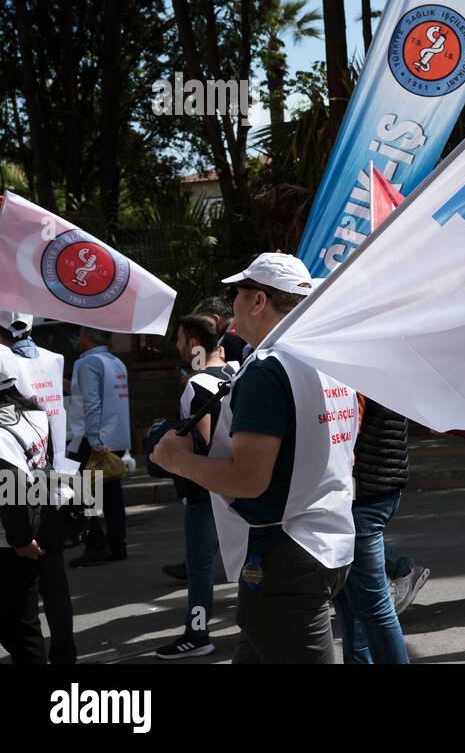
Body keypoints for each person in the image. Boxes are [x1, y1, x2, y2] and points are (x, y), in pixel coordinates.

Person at [151, 253, 358, 664]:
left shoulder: (268, 368)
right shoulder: (328, 358)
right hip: (322, 542)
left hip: (285, 551)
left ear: (260, 301)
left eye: (238, 293)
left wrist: (176, 459)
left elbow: (248, 479)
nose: (233, 304)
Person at [155, 314, 235, 660]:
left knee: (200, 564)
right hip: (240, 480)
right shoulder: (237, 370)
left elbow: (203, 442)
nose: (176, 347)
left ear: (193, 344)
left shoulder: (196, 384)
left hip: (205, 489)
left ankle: (197, 632)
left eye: (179, 340)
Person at [0, 312, 77, 664]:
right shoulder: (35, 403)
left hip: (18, 518)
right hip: (51, 483)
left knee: (22, 617)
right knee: (42, 593)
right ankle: (65, 652)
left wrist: (19, 537)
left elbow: (10, 479)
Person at [333, 397, 413, 663]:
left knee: (372, 606)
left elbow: (346, 439)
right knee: (350, 601)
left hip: (364, 493)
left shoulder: (355, 372)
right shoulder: (385, 363)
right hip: (378, 488)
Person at [0, 369, 54, 663]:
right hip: (33, 529)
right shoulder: (34, 415)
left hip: (10, 543)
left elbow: (13, 485)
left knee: (19, 628)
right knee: (25, 623)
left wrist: (21, 539)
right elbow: (46, 468)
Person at [67, 327, 131, 567]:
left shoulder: (88, 363)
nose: (78, 338)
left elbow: (92, 403)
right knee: (112, 494)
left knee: (81, 493)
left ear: (88, 338)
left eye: (81, 334)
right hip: (114, 437)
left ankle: (96, 544)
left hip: (92, 439)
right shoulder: (115, 362)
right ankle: (117, 544)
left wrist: (94, 440)